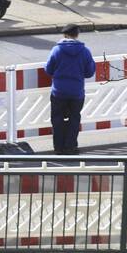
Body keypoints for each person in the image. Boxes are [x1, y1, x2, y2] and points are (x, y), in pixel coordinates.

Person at [45, 24, 97, 155]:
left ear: (64, 35)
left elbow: (48, 69)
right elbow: (89, 72)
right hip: (76, 92)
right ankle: (70, 147)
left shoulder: (57, 50)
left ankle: (58, 147)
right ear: (77, 34)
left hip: (59, 91)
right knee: (74, 118)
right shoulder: (85, 51)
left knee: (57, 119)